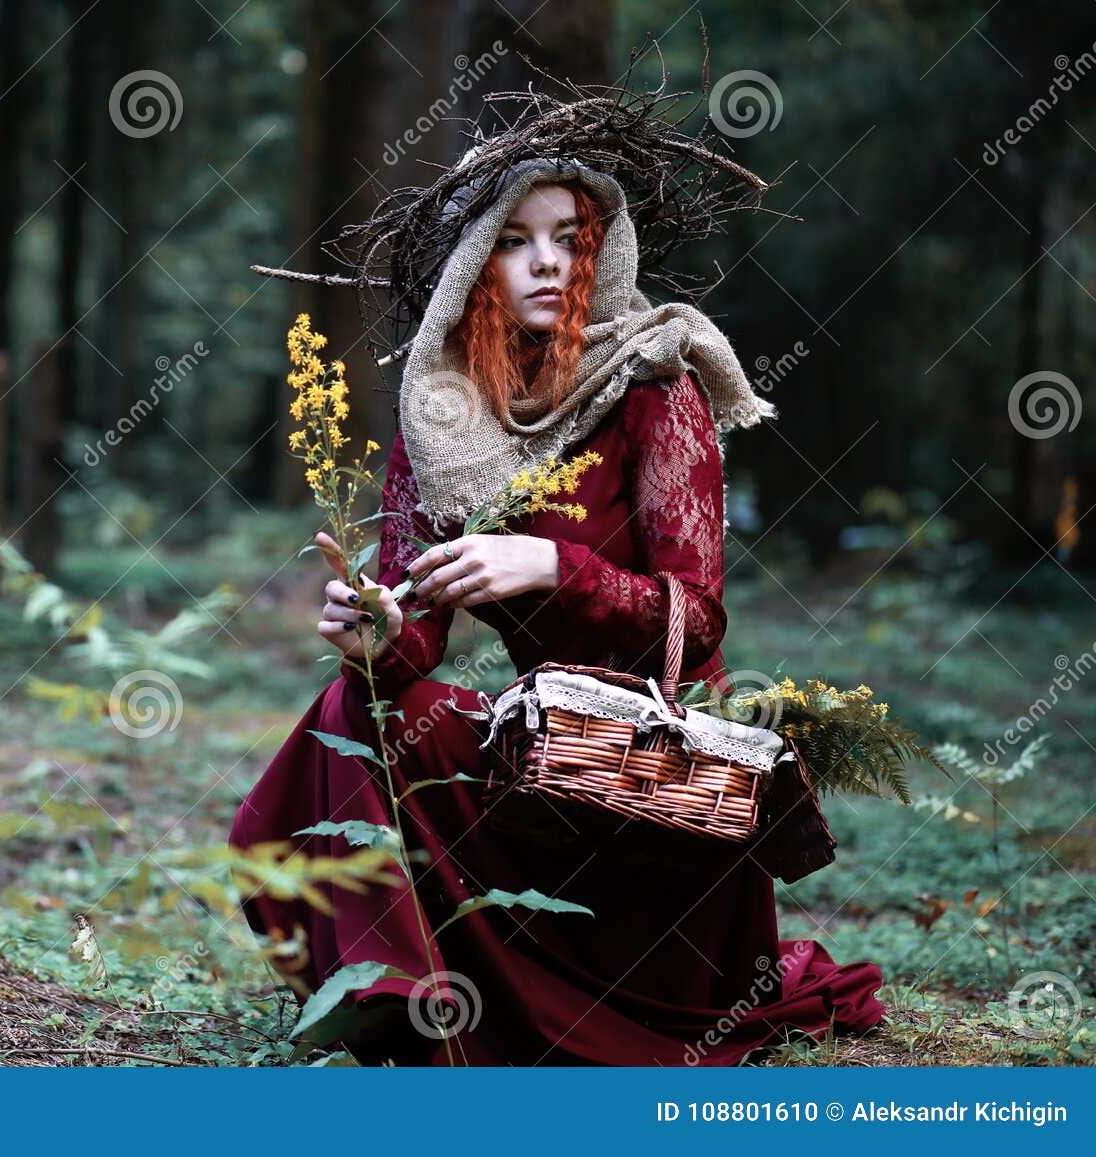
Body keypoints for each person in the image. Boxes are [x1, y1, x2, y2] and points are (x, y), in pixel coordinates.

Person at [228, 155, 886, 1066]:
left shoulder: (654, 383)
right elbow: (417, 635)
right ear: (474, 267)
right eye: (514, 241)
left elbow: (698, 618)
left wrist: (549, 565)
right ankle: (395, 996)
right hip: (538, 759)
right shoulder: (443, 414)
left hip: (660, 778)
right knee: (364, 707)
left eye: (570, 241)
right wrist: (378, 632)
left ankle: (572, 987)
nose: (547, 263)